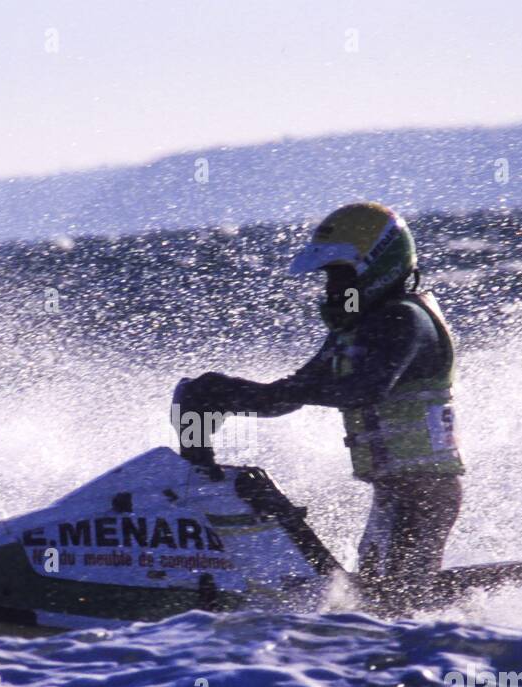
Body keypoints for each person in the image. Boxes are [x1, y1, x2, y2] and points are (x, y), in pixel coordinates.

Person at [173, 202, 464, 612]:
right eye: (328, 278)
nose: (332, 289)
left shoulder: (405, 318)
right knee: (379, 599)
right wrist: (220, 394)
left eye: (341, 276)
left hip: (425, 494)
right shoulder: (355, 330)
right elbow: (289, 396)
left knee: (394, 608)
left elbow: (364, 388)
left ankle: (463, 628)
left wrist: (284, 392)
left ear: (375, 266)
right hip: (393, 491)